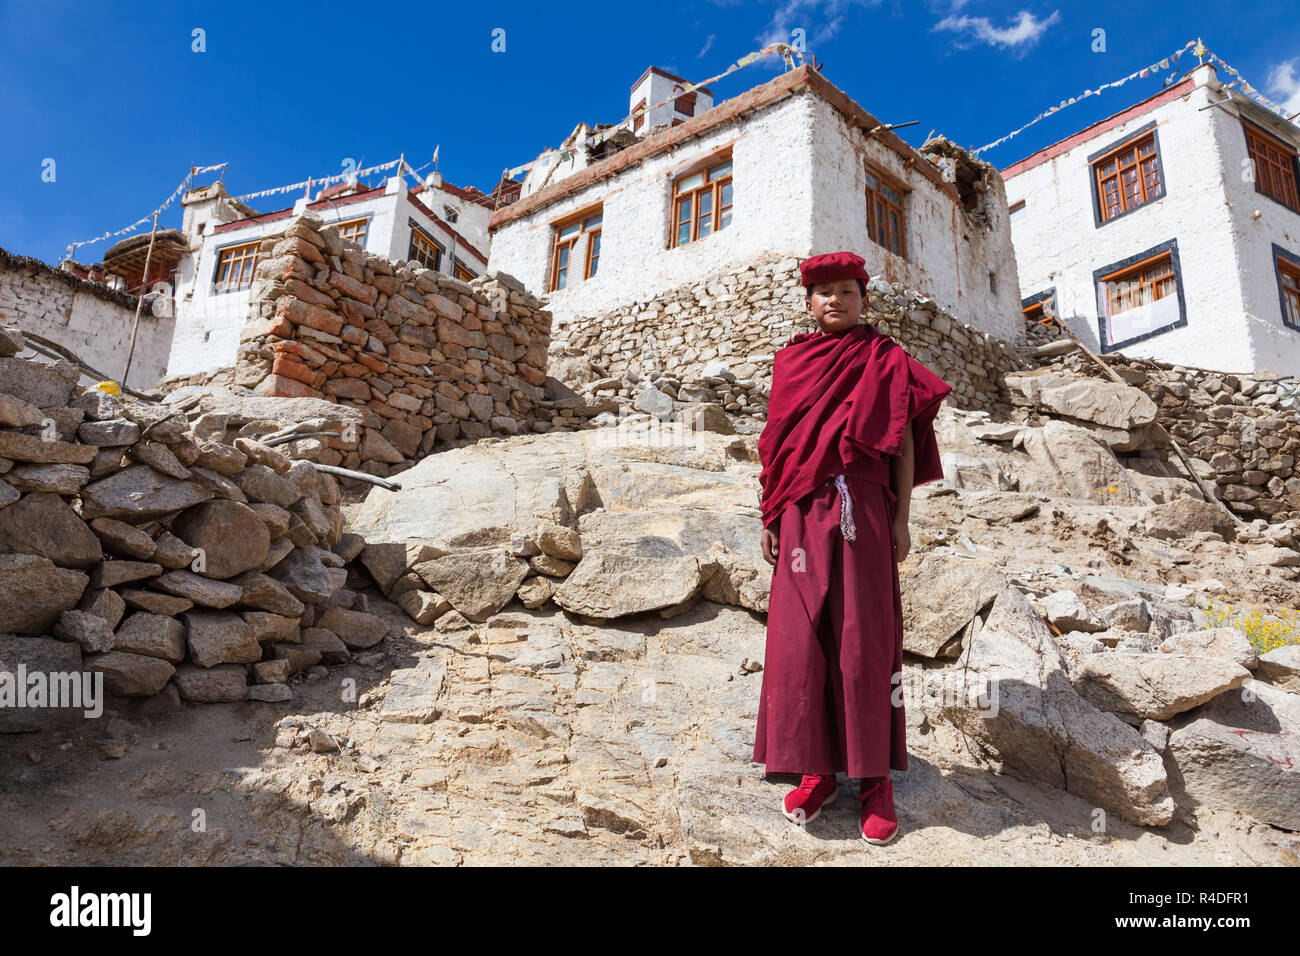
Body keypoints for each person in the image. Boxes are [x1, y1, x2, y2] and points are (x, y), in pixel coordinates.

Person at [752, 251, 952, 845]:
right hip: (800, 509)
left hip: (865, 508)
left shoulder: (886, 358)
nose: (834, 299)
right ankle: (817, 769)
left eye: (846, 290)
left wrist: (902, 518)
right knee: (802, 636)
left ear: (864, 299)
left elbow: (905, 444)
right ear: (808, 303)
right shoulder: (792, 363)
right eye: (823, 292)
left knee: (865, 640)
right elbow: (778, 442)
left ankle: (873, 779)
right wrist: (769, 512)